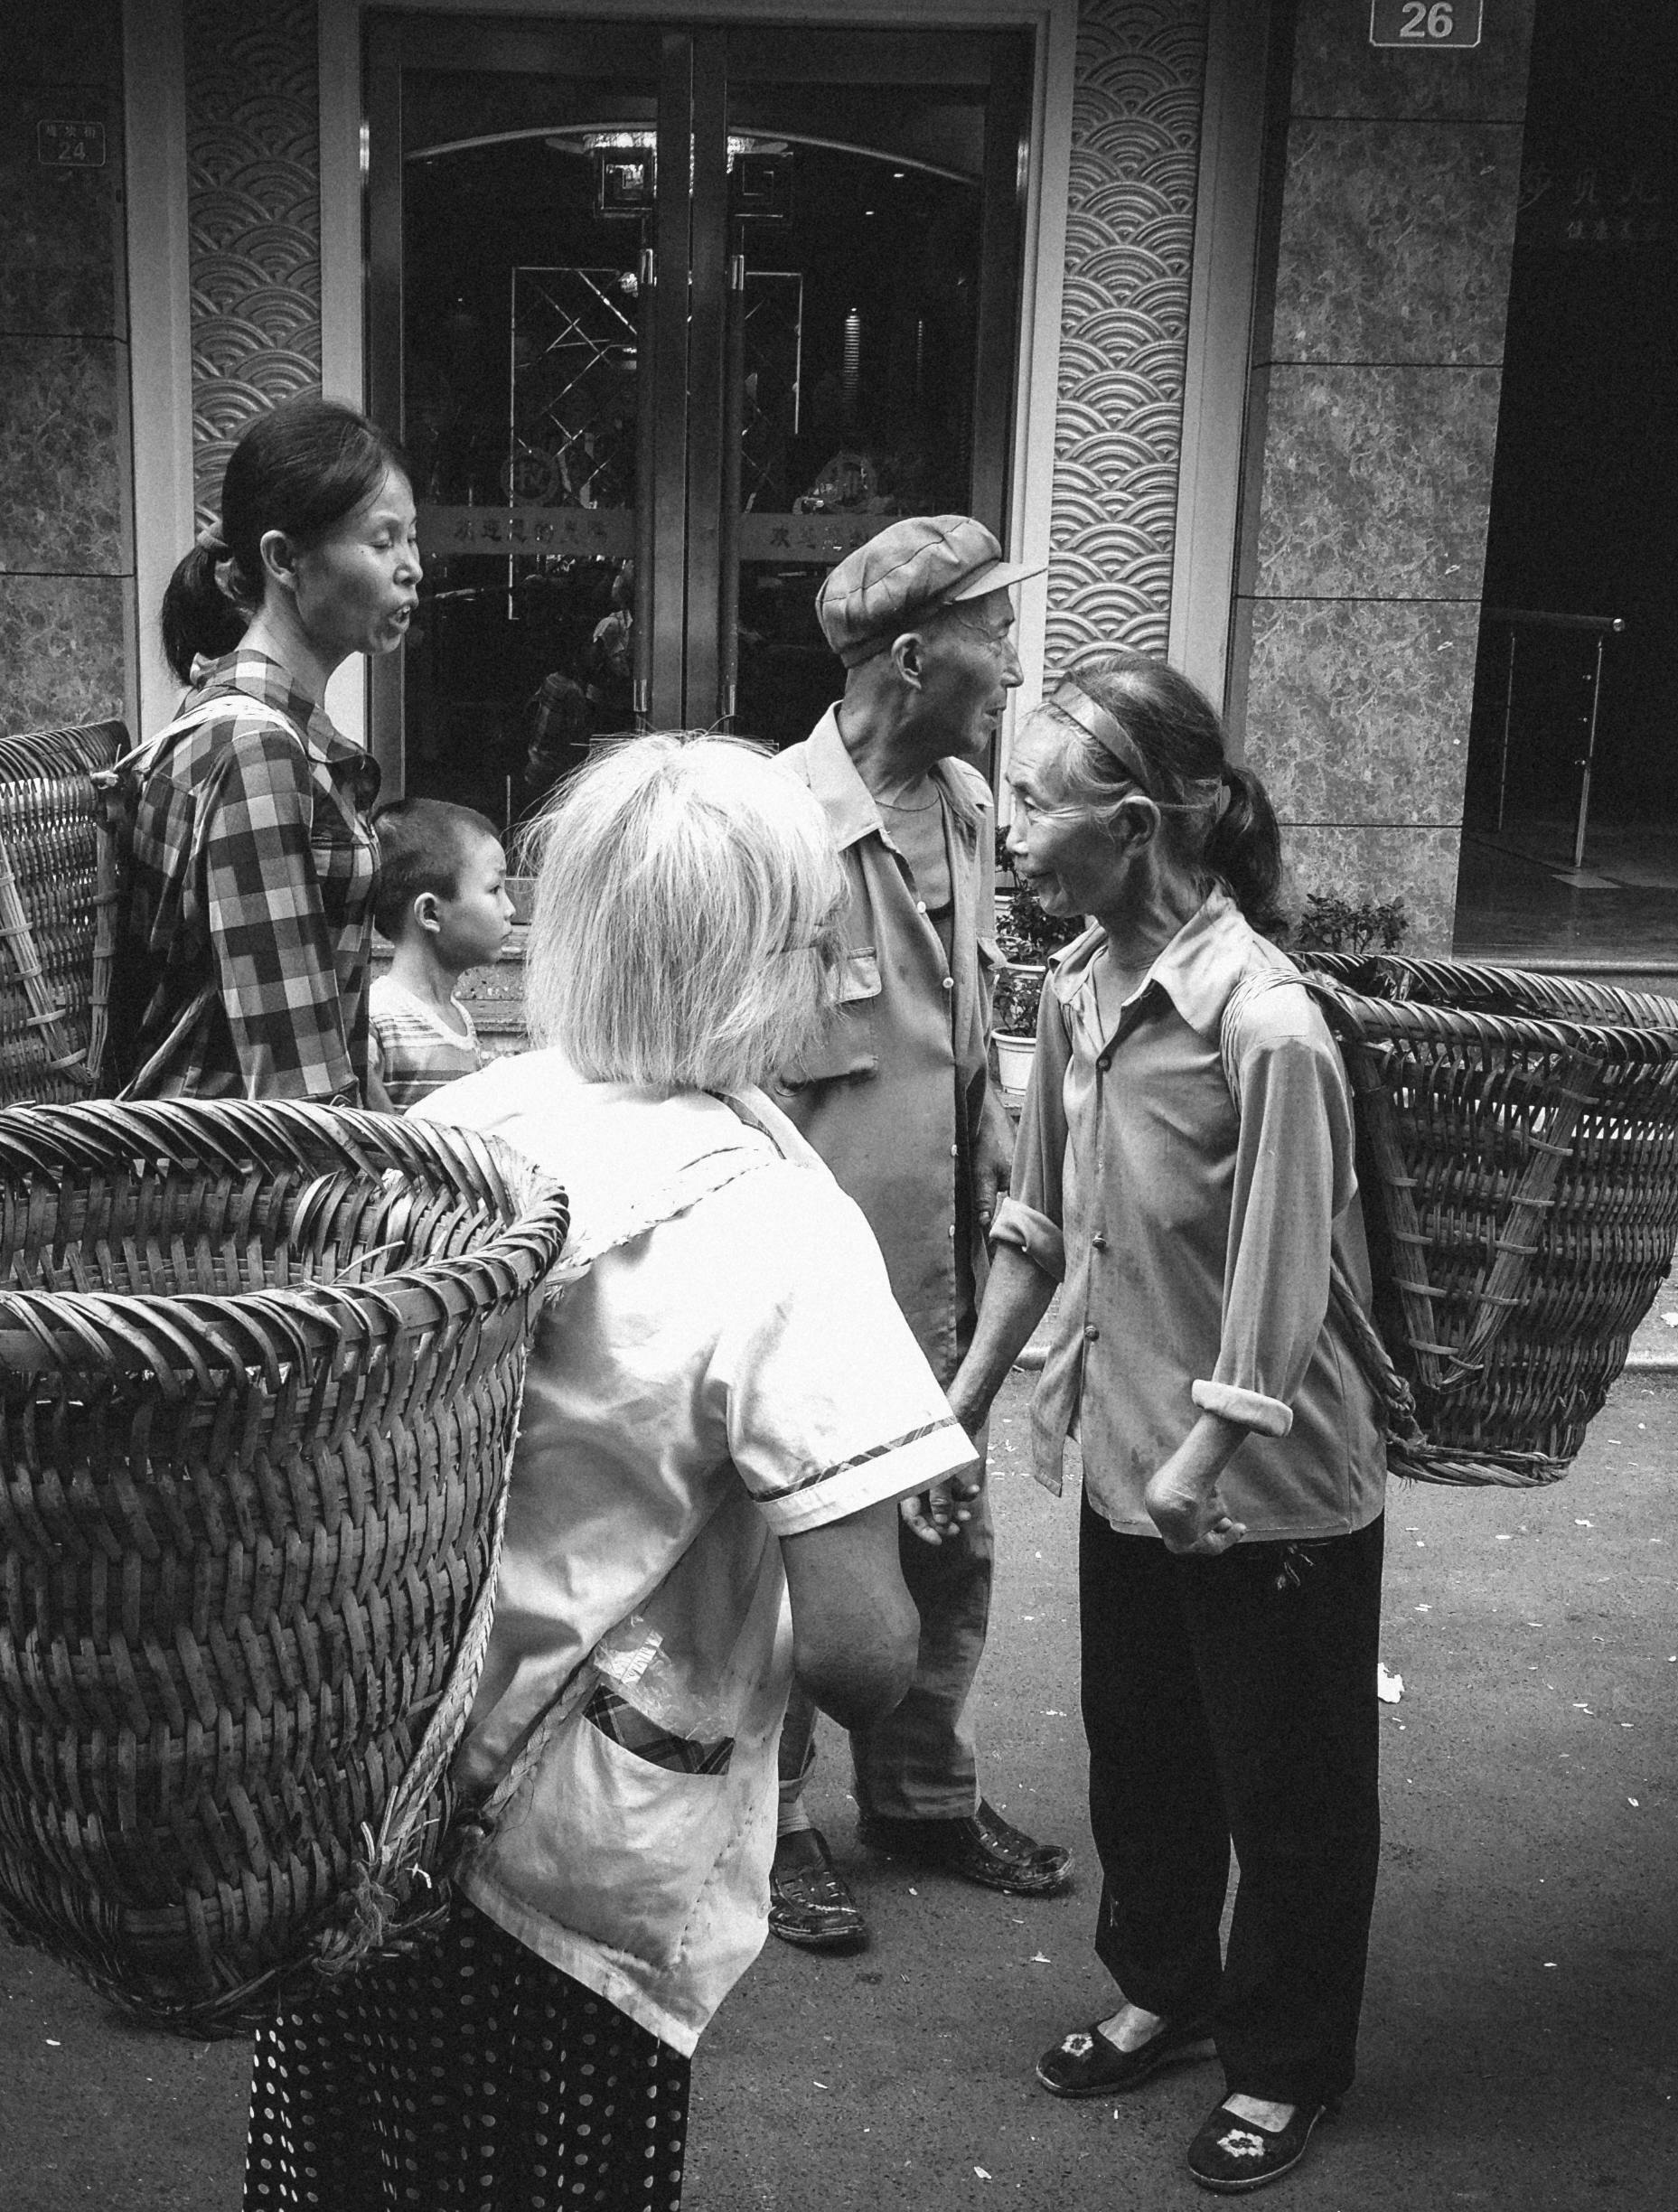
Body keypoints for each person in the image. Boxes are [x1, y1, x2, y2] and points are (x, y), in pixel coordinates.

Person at [245, 735, 974, 2210]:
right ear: (777, 960)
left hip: (376, 1799)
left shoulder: (460, 1128)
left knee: (357, 2170)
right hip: (578, 1858)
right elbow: (861, 1657)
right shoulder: (782, 1229)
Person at [945, 651, 1388, 2196]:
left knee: (1290, 1781)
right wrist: (964, 1401)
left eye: (1031, 798)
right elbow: (1034, 1225)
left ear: (1128, 822)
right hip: (1130, 1452)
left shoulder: (1261, 1021)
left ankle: (1285, 2059)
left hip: (1263, 1480)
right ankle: (1166, 1988)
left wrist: (1205, 1457)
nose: (1010, 824)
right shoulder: (1074, 987)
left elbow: (1283, 1273)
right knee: (1141, 1751)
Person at [765, 514, 1069, 1953]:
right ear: (909, 653)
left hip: (949, 1268)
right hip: (816, 1285)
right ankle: (770, 1829)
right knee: (795, 1567)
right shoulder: (769, 831)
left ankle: (923, 1797)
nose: (1012, 660)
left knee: (951, 1544)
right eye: (992, 632)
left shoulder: (959, 799)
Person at [110, 395, 418, 1103]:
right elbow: (294, 1084)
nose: (410, 568)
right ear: (284, 559)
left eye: (412, 538)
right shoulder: (253, 749)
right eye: (382, 541)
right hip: (230, 1194)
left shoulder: (257, 731)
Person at [367, 797, 512, 1108]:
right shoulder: (377, 1019)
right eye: (495, 890)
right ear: (430, 913)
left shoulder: (460, 1019)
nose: (510, 909)